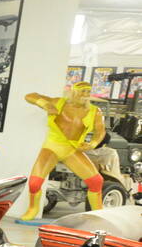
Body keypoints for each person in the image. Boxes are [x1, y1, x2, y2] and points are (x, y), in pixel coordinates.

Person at [19, 81, 107, 222]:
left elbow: (100, 131)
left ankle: (98, 214)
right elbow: (30, 96)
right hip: (52, 147)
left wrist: (93, 143)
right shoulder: (58, 102)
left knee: (96, 181)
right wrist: (45, 105)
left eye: (88, 92)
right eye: (82, 91)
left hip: (72, 149)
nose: (85, 95)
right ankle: (32, 209)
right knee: (34, 183)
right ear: (73, 92)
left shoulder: (95, 111)